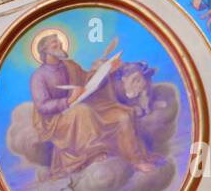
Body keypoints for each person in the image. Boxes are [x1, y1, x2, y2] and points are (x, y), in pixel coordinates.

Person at [28, 33, 164, 177]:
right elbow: (42, 106)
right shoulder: (38, 77)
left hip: (82, 106)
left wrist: (104, 70)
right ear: (45, 50)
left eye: (60, 42)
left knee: (122, 115)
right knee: (83, 111)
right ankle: (93, 154)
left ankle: (136, 160)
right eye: (55, 44)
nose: (60, 45)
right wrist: (67, 101)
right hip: (57, 119)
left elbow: (87, 82)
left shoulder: (70, 65)